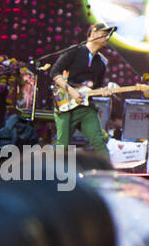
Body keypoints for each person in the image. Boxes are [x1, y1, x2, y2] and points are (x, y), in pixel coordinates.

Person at [49, 23, 115, 166]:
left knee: (99, 141)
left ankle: (110, 176)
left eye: (108, 34)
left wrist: (104, 91)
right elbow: (54, 73)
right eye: (104, 33)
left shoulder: (102, 62)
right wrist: (71, 90)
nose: (107, 37)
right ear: (92, 34)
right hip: (65, 103)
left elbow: (95, 87)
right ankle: (51, 175)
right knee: (63, 145)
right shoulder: (74, 51)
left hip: (85, 107)